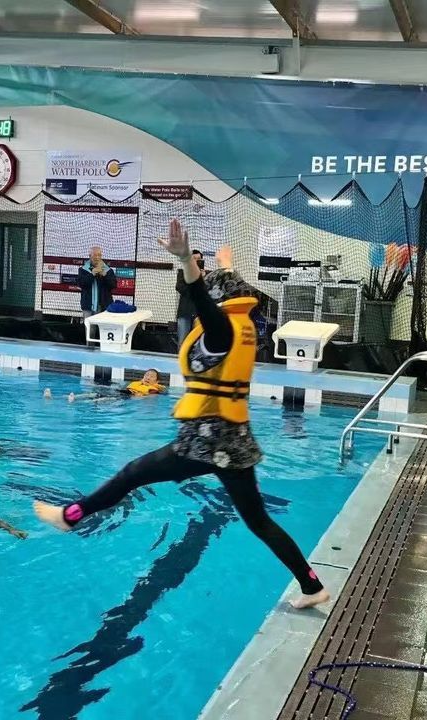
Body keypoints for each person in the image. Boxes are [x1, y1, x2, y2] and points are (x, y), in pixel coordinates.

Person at [35, 219, 330, 610]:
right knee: (259, 521)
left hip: (205, 441)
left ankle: (70, 516)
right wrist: (224, 265)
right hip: (234, 440)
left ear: (219, 302)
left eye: (212, 292)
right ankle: (312, 586)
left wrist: (185, 263)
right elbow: (216, 298)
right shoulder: (245, 328)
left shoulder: (221, 330)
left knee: (132, 473)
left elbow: (205, 304)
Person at [62, 369, 166, 403]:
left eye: (151, 376)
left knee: (105, 398)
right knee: (96, 393)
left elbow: (150, 398)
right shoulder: (137, 383)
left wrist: (141, 397)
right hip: (123, 392)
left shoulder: (154, 390)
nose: (148, 377)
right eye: (147, 375)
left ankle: (81, 402)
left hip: (129, 397)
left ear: (156, 381)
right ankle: (73, 397)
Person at [176, 249, 206, 346]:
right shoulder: (183, 273)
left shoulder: (205, 275)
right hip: (185, 313)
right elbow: (180, 288)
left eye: (199, 259)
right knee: (183, 342)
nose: (197, 261)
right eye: (194, 259)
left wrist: (202, 279)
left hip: (199, 314)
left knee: (198, 343)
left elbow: (207, 292)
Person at [77, 246, 117, 318]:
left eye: (99, 255)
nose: (97, 257)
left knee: (102, 329)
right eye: (95, 255)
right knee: (90, 329)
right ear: (90, 256)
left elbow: (113, 285)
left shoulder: (108, 270)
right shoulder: (83, 270)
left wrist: (105, 275)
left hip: (104, 307)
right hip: (88, 307)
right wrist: (92, 274)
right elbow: (81, 284)